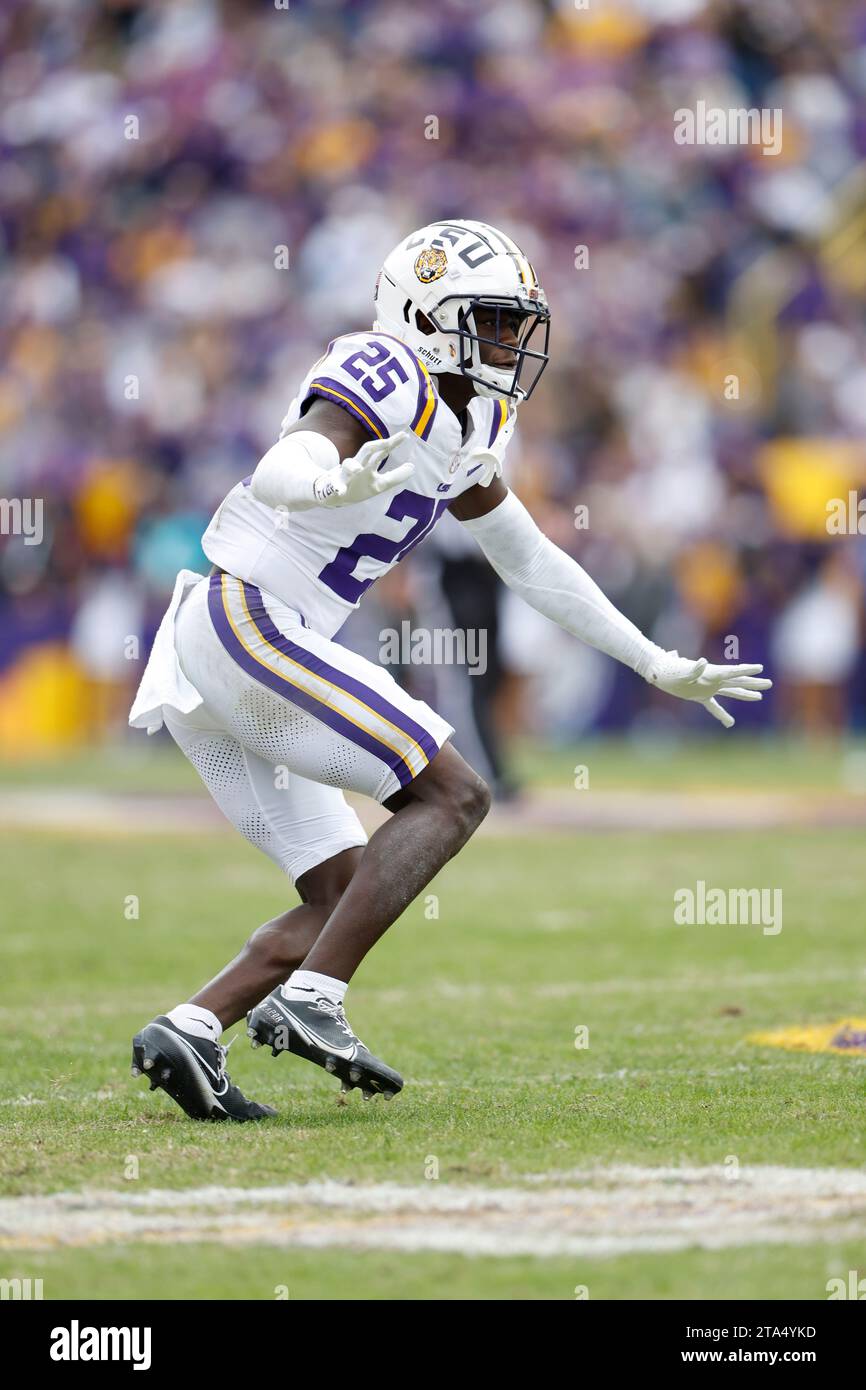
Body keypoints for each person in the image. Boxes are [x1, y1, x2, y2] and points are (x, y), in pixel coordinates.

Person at [128, 220, 770, 1121]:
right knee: (454, 795)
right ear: (426, 315)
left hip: (242, 643)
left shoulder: (478, 418)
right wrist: (325, 483)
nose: (509, 343)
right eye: (493, 322)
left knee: (351, 891)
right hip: (251, 621)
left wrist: (653, 660)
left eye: (515, 325)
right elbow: (291, 458)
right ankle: (314, 1003)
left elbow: (531, 560)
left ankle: (194, 1028)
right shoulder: (389, 374)